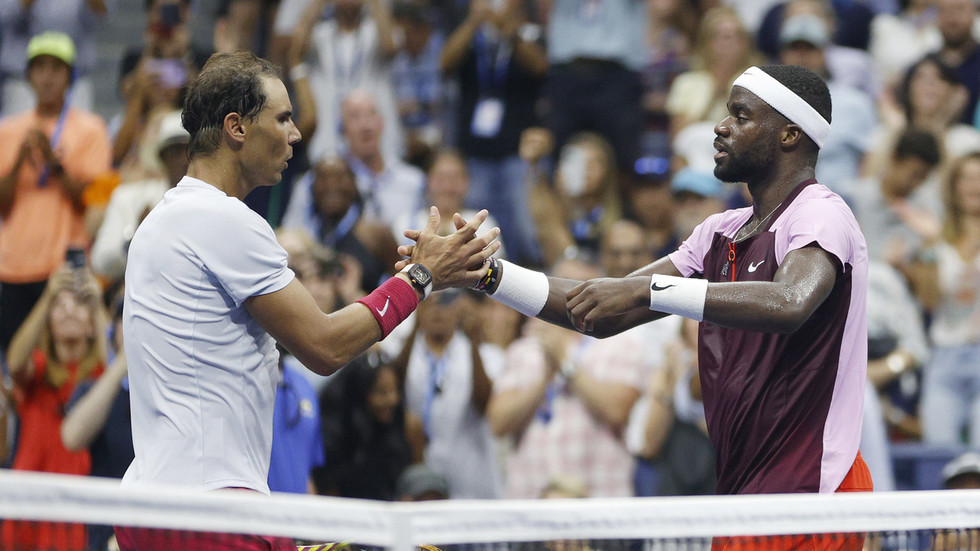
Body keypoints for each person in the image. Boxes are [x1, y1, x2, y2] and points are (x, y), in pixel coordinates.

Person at [407, 64, 873, 507]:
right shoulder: (718, 231)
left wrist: (649, 290)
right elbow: (600, 310)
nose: (720, 127)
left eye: (741, 115)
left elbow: (790, 302)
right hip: (742, 487)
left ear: (790, 134)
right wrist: (486, 274)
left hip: (814, 486)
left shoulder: (820, 212)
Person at [114, 51, 498, 551]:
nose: (296, 134)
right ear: (236, 127)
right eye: (283, 118)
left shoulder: (162, 222)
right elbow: (324, 346)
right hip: (213, 507)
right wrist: (422, 278)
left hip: (148, 504)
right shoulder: (223, 219)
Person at [0, 31, 112, 352]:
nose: (47, 76)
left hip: (65, 268)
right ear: (28, 76)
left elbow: (91, 200)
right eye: (40, 67)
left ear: (70, 77)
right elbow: (3, 203)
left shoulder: (92, 128)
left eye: (56, 68)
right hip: (14, 267)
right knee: (17, 366)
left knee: (67, 363)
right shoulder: (7, 130)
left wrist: (53, 161)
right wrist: (21, 159)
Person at [2, 263, 108, 551]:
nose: (69, 310)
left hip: (78, 512)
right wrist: (49, 294)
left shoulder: (102, 374)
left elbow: (119, 366)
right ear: (48, 322)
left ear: (91, 325)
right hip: (28, 508)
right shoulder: (37, 370)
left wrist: (97, 304)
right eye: (59, 306)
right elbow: (13, 362)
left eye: (79, 304)